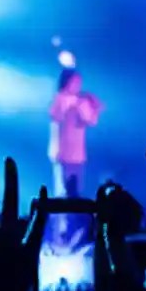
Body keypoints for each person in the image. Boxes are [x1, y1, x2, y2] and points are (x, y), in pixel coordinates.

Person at [48, 68, 102, 196]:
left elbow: (91, 121)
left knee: (75, 192)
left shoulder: (81, 101)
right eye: (75, 81)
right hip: (62, 153)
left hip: (78, 154)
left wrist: (95, 107)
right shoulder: (59, 98)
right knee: (62, 193)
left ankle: (73, 213)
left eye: (79, 81)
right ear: (67, 81)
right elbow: (56, 116)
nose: (78, 84)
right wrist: (73, 104)